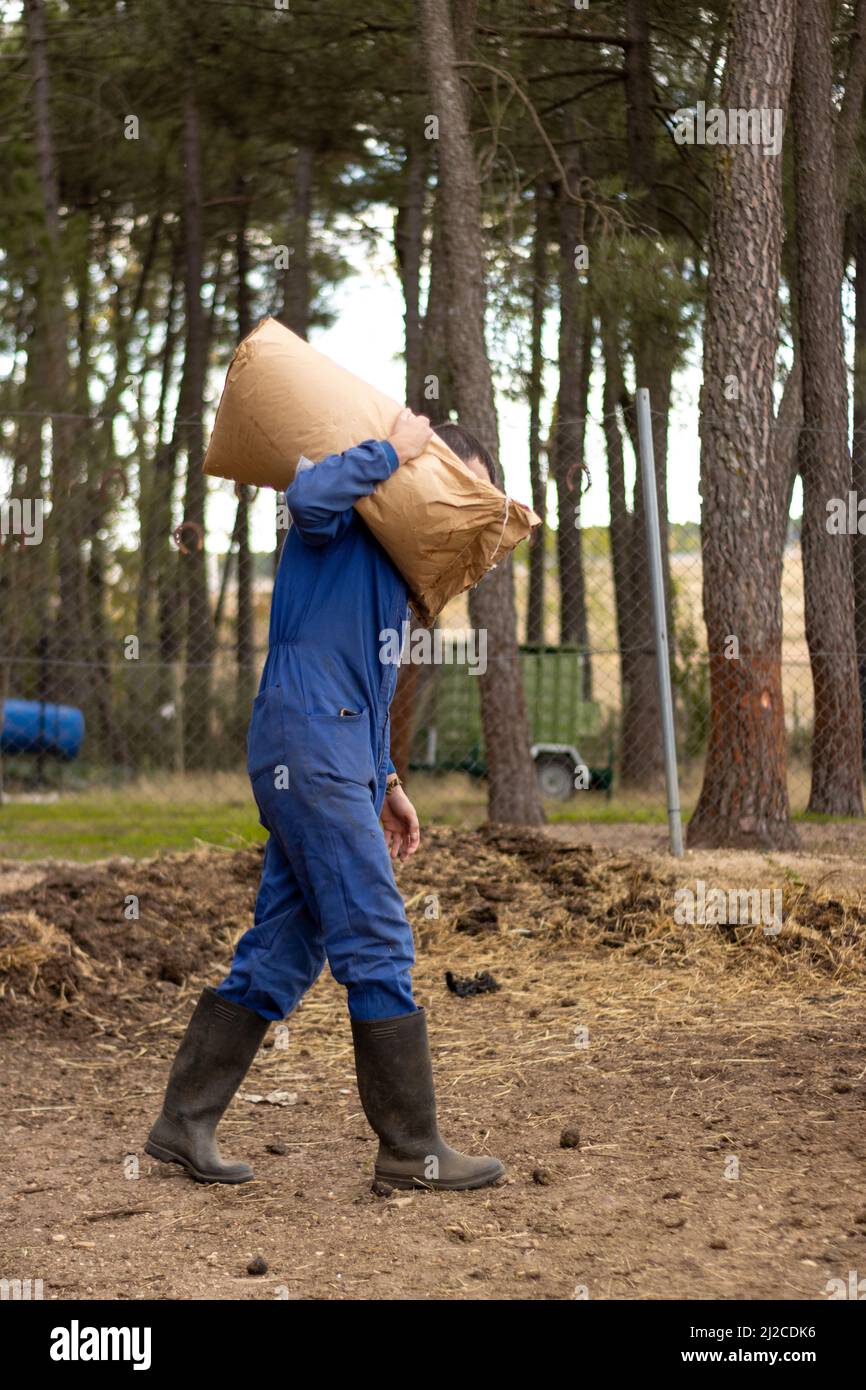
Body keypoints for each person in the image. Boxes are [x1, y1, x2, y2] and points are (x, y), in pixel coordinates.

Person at [145, 409, 505, 1192]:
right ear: (427, 471)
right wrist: (394, 449)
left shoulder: (389, 568)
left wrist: (389, 783)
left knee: (284, 945)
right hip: (308, 748)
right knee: (376, 930)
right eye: (461, 488)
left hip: (329, 752)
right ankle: (412, 1150)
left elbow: (366, 691)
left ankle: (183, 1122)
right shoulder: (338, 518)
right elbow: (304, 494)